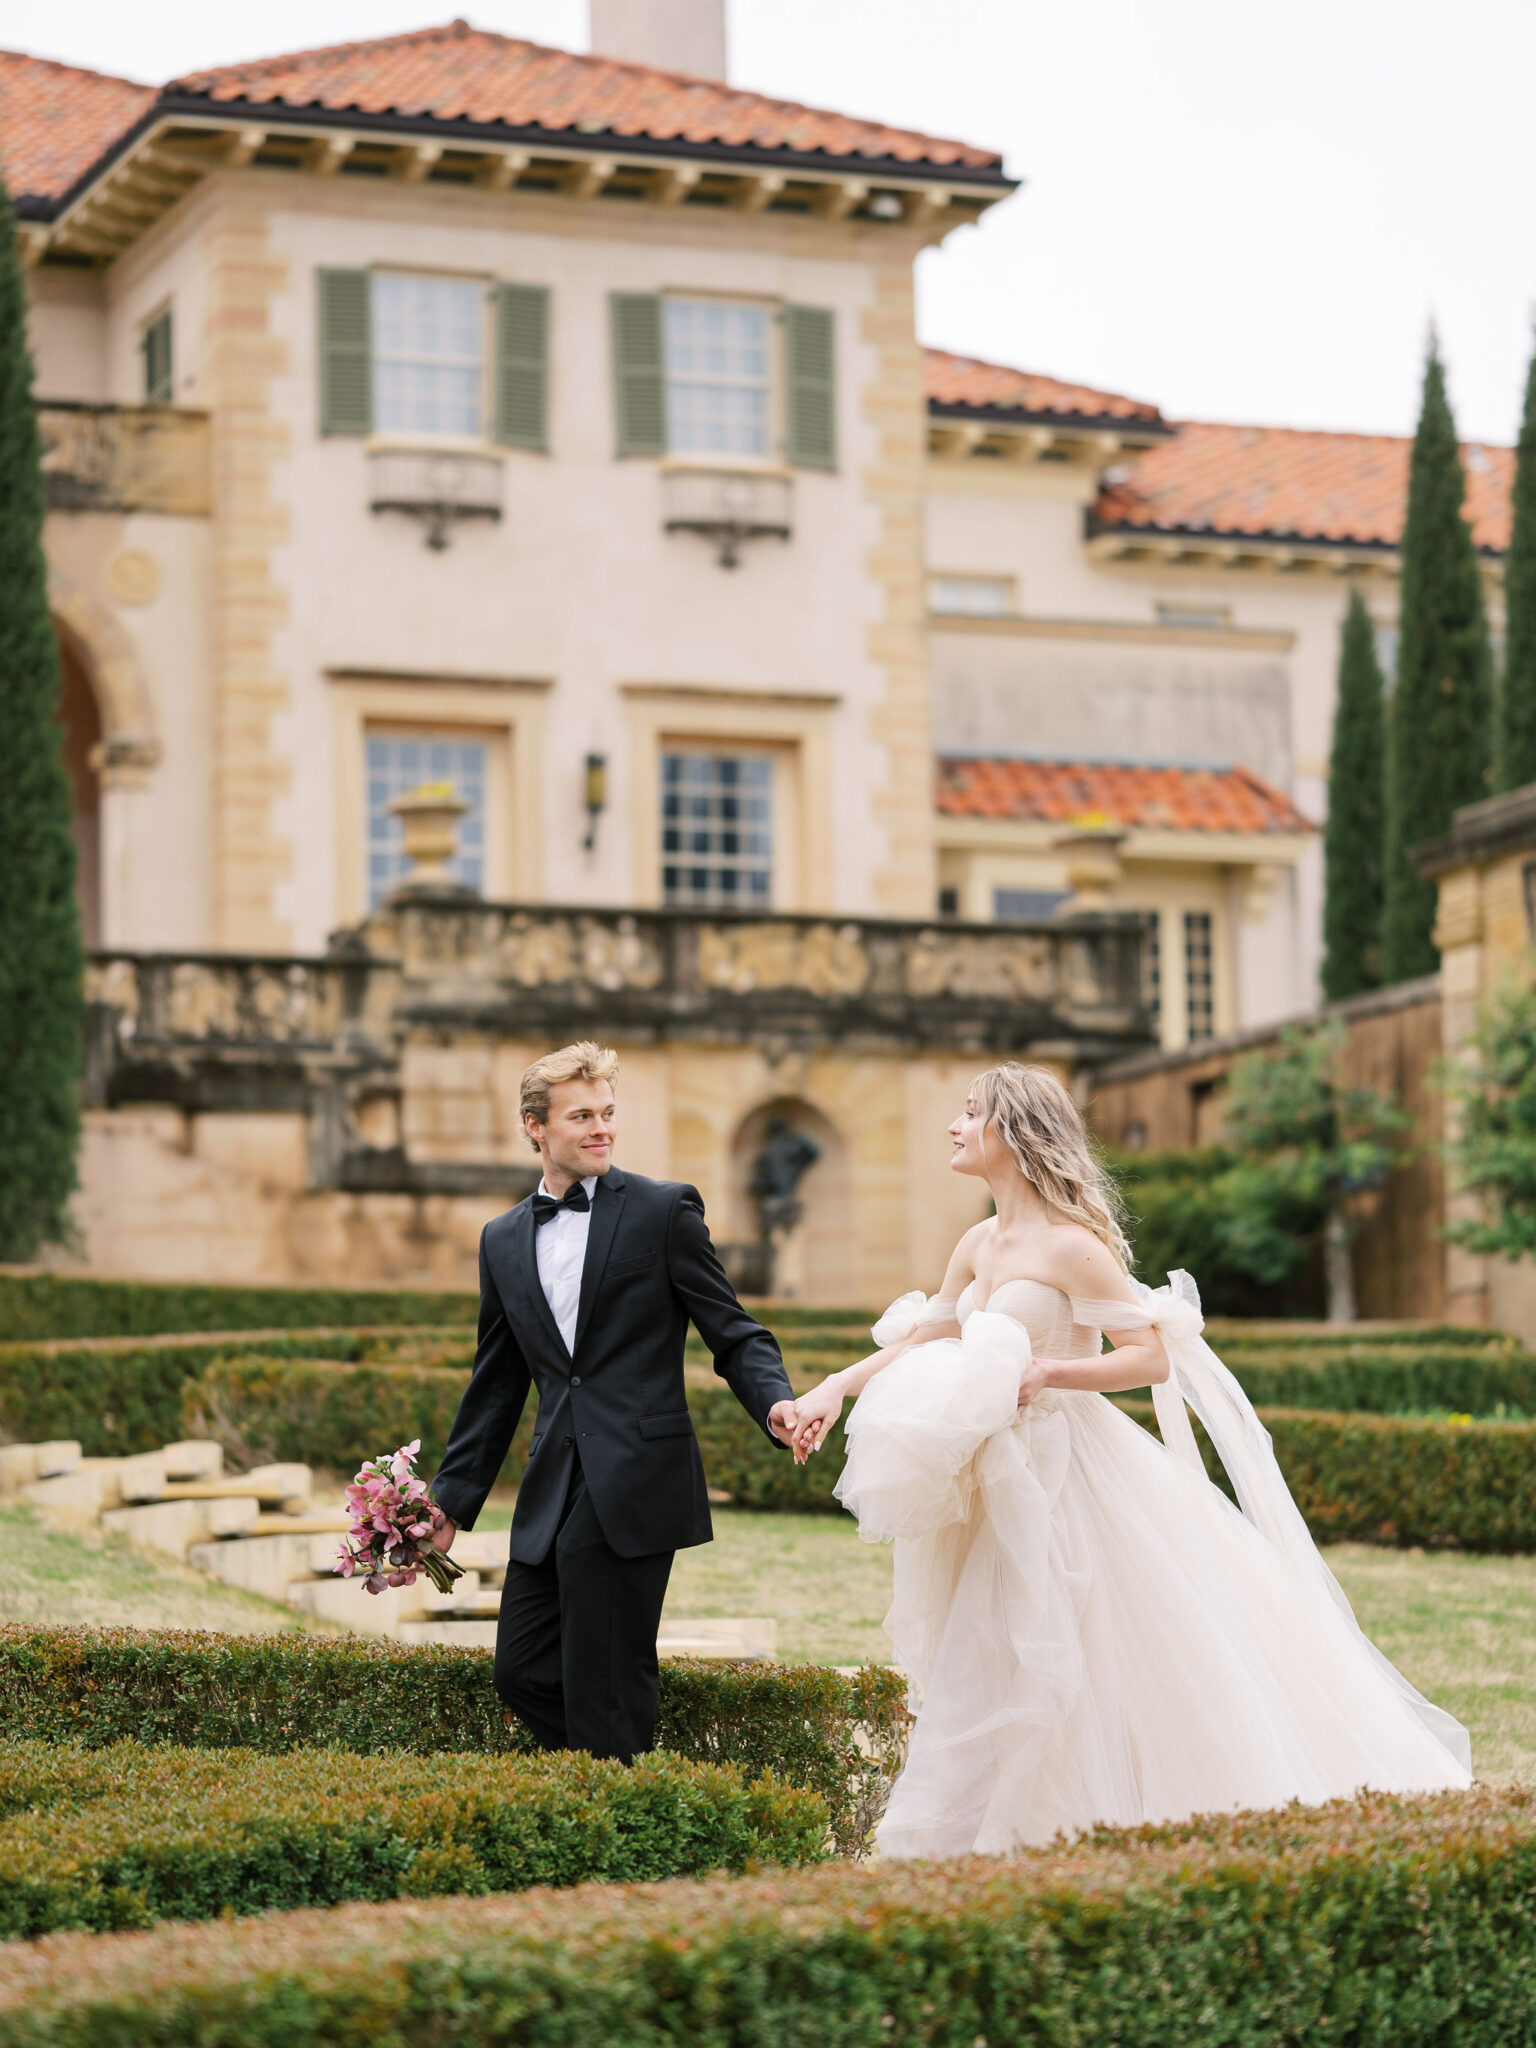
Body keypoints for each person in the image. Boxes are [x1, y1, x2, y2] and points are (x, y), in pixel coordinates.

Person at [786, 1062, 1472, 1859]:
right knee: (988, 1651)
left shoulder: (1074, 1247)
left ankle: (1067, 1831)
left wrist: (1050, 1374)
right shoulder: (977, 1242)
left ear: (1011, 1133)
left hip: (1072, 1474)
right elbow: (931, 1336)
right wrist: (832, 1390)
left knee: (1087, 1651)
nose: (954, 1125)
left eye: (971, 1113)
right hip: (993, 1480)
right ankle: (981, 1842)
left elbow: (1148, 1357)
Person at [430, 1040, 797, 1763]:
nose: (602, 1128)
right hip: (553, 1482)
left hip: (635, 1476)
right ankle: (630, 1782)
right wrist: (450, 1500)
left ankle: (616, 1818)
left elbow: (733, 1330)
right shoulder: (502, 1239)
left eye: (607, 1113)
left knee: (605, 1673)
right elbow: (496, 1381)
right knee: (521, 1670)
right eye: (581, 1116)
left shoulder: (663, 1211)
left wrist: (775, 1404)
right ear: (535, 1126)